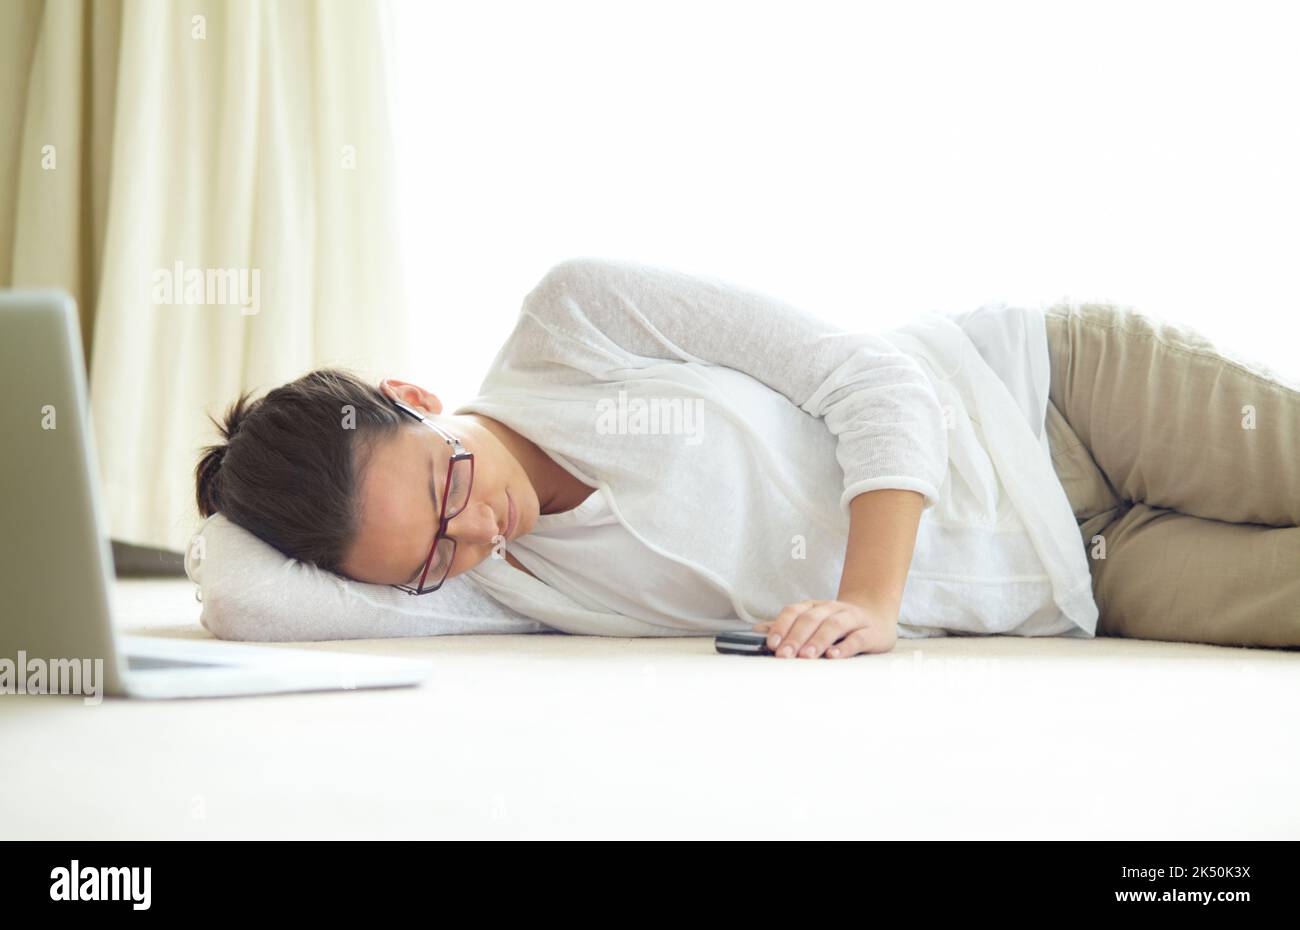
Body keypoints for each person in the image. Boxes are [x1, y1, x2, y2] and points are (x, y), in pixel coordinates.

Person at [195, 257, 1300, 656]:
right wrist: (254, 488)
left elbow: (874, 380)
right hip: (1070, 577)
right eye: (432, 558)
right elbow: (242, 595)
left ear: (413, 397)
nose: (479, 535)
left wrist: (867, 604)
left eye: (450, 488)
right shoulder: (497, 588)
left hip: (1049, 398)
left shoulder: (572, 320)